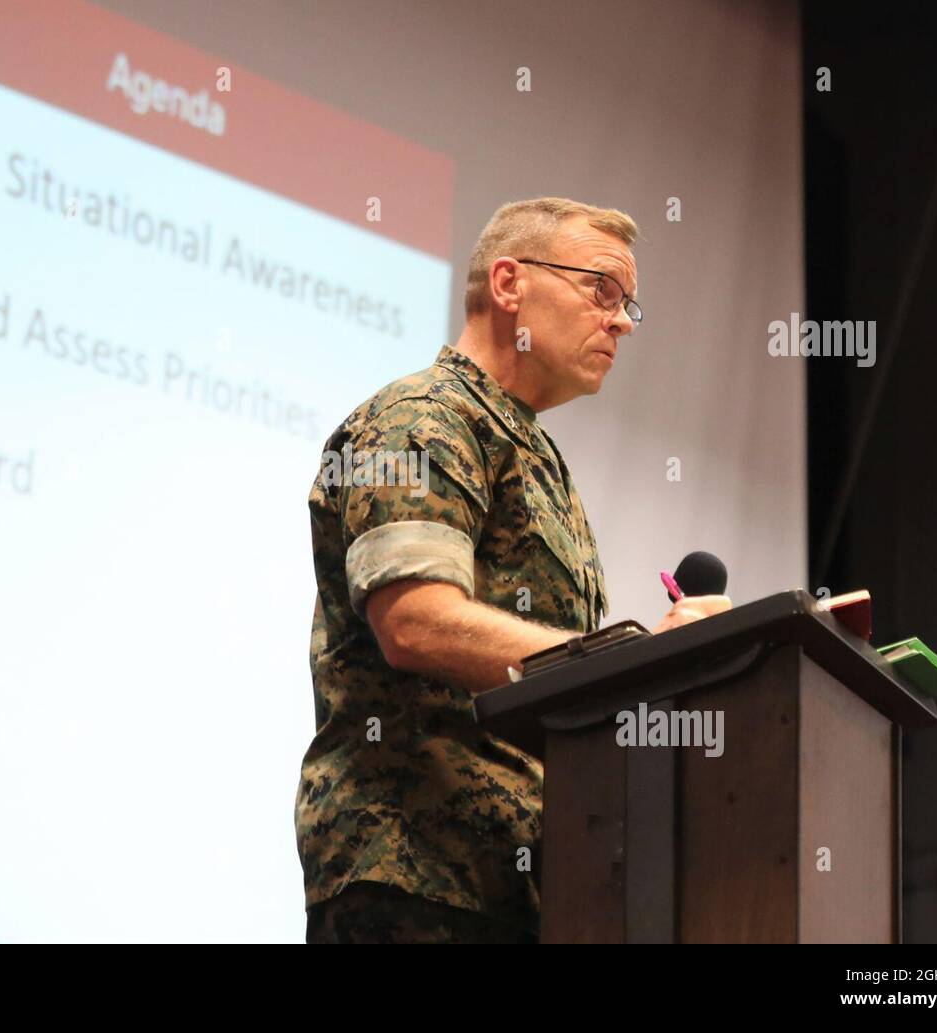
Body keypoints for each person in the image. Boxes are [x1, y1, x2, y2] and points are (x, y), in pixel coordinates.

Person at [295, 197, 731, 944]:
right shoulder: (422, 417)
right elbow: (414, 621)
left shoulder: (539, 460)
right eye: (602, 290)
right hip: (414, 877)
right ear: (508, 284)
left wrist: (652, 667)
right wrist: (630, 660)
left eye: (630, 304)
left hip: (523, 891)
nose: (622, 320)